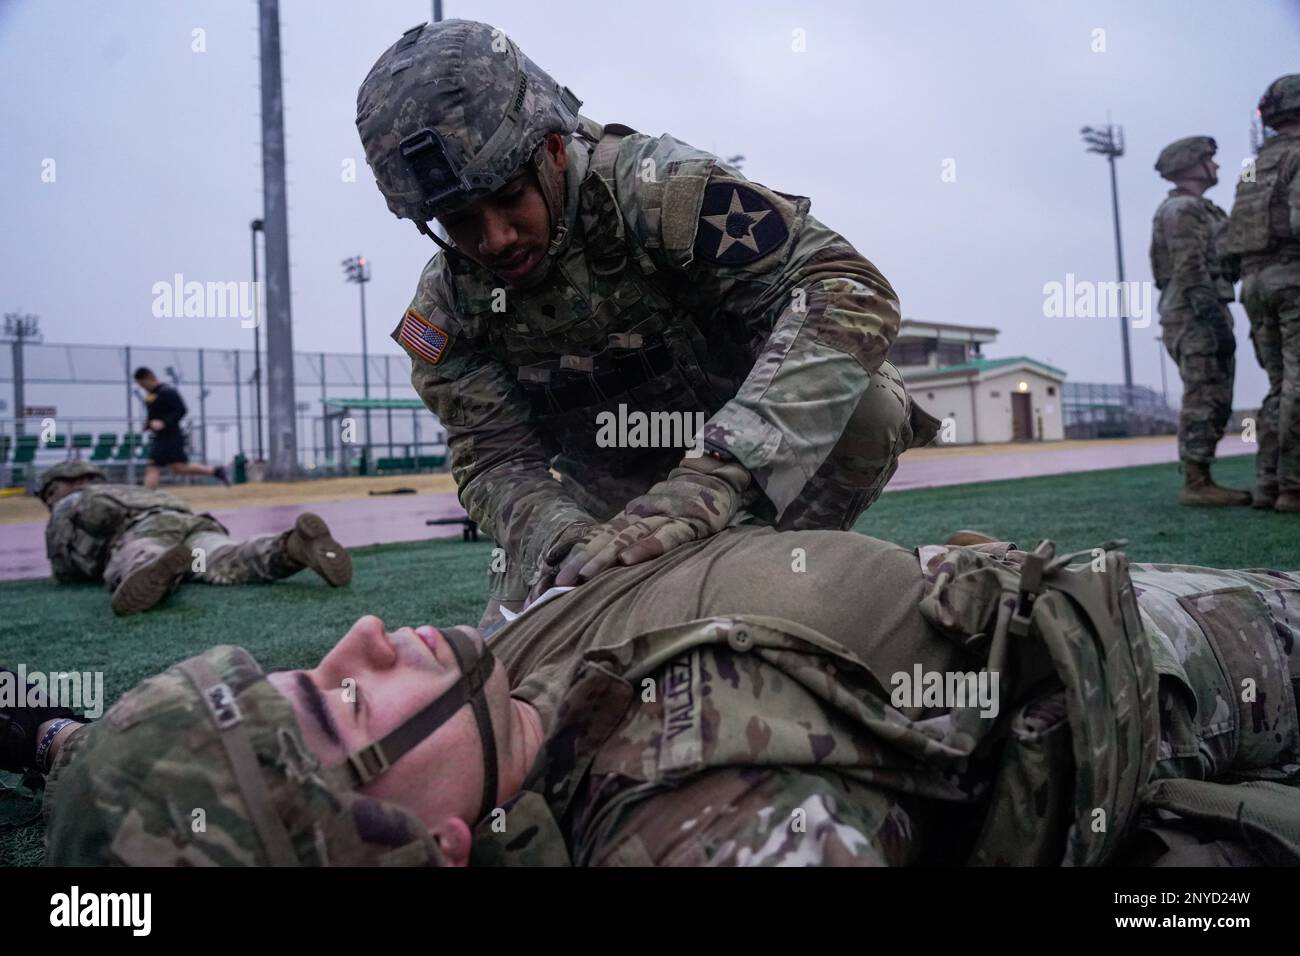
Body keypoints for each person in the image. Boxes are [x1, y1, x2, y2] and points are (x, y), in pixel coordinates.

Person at [22, 524, 1300, 866]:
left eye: (312, 671)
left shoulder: (486, 724)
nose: (360, 638)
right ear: (438, 846)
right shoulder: (694, 814)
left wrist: (57, 739)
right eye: (344, 711)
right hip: (1161, 658)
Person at [355, 20, 939, 627]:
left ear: (553, 148)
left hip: (747, 461)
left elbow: (845, 288)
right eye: (458, 221)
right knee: (516, 678)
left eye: (508, 197)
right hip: (598, 502)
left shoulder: (656, 194)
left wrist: (712, 477)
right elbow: (495, 459)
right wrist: (565, 542)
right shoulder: (446, 311)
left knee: (871, 406)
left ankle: (762, 590)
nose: (495, 238)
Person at [37, 461, 353, 616]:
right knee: (226, 557)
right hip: (193, 522)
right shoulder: (128, 490)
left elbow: (67, 569)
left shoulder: (67, 505)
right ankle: (290, 547)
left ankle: (151, 567)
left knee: (140, 550)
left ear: (56, 488)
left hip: (144, 528)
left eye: (48, 495)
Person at [1149, 137, 1253, 506]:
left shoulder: (1202, 209)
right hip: (1194, 312)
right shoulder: (1183, 210)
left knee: (1216, 395)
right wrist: (1211, 318)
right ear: (1191, 165)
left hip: (1203, 308)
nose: (1217, 166)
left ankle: (1202, 477)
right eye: (1210, 159)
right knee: (1203, 394)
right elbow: (1189, 268)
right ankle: (1196, 482)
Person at [1223, 74, 1300, 513]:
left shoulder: (1252, 167)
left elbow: (1234, 235)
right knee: (1297, 382)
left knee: (1279, 383)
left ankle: (1269, 482)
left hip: (1254, 281)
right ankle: (1293, 484)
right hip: (1292, 276)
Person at [133, 367, 229, 489]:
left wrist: (164, 422)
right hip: (161, 437)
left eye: (142, 384)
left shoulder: (167, 392)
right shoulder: (150, 396)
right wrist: (148, 424)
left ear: (149, 378)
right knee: (179, 468)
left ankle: (146, 500)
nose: (142, 387)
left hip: (170, 437)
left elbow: (181, 410)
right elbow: (154, 416)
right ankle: (215, 471)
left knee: (153, 467)